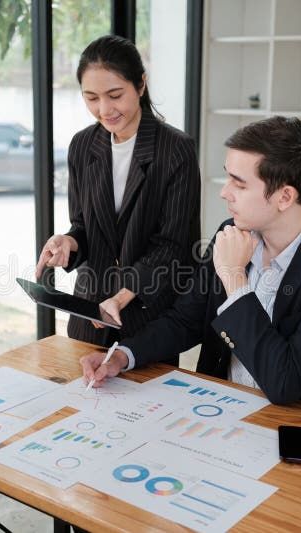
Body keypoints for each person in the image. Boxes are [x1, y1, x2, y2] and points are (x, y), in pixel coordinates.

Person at [80, 116, 301, 415]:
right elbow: (185, 320)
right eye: (228, 177)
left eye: (239, 183)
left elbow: (285, 382)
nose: (224, 192)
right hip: (224, 411)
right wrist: (121, 356)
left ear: (285, 196)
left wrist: (235, 277)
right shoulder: (232, 233)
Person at [35, 35, 201, 359]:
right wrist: (69, 243)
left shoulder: (176, 150)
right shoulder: (82, 146)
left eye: (115, 95)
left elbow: (172, 246)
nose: (104, 110)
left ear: (140, 85)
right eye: (91, 98)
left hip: (146, 322)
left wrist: (123, 296)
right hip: (89, 319)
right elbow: (83, 225)